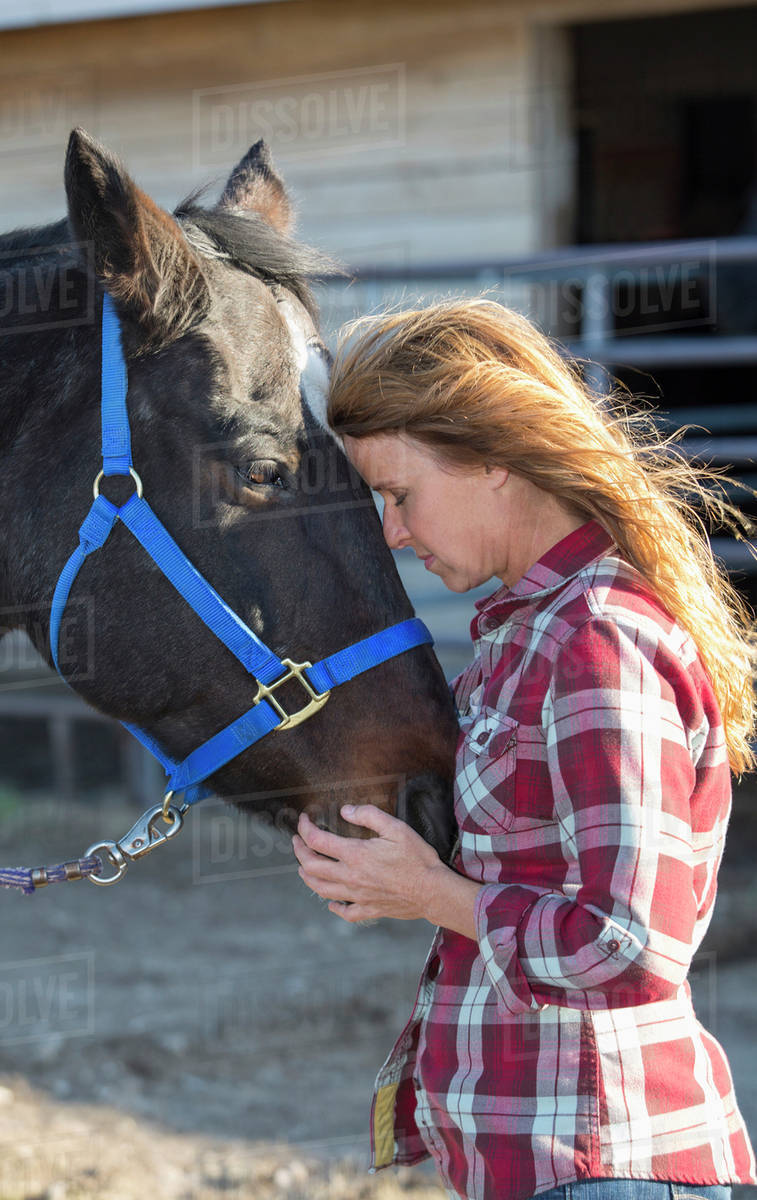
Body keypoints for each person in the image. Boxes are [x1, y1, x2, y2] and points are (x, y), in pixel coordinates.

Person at [291, 297, 756, 1200]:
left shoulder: (593, 640)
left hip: (605, 1162)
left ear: (490, 457)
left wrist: (428, 892)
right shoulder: (525, 635)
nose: (392, 532)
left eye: (399, 495)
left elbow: (628, 945)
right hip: (545, 1163)